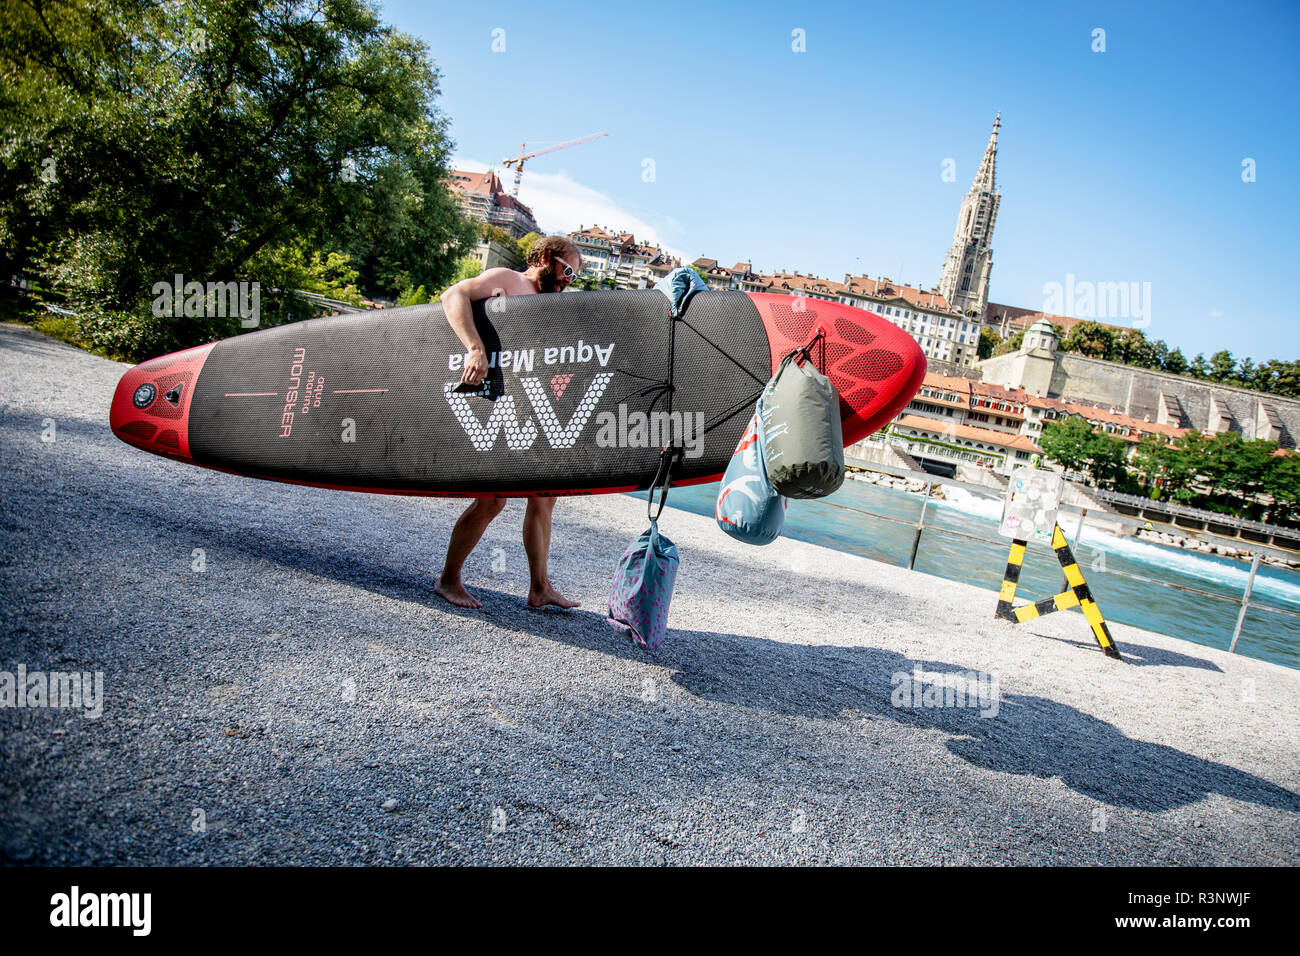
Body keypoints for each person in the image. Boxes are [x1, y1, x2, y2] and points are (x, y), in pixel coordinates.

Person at [434, 235, 584, 611]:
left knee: (544, 495)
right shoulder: (508, 280)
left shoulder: (552, 304)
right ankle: (449, 580)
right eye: (567, 270)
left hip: (526, 405)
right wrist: (474, 348)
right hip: (492, 401)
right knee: (493, 500)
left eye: (574, 277)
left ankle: (540, 588)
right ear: (547, 259)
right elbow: (452, 295)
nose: (569, 280)